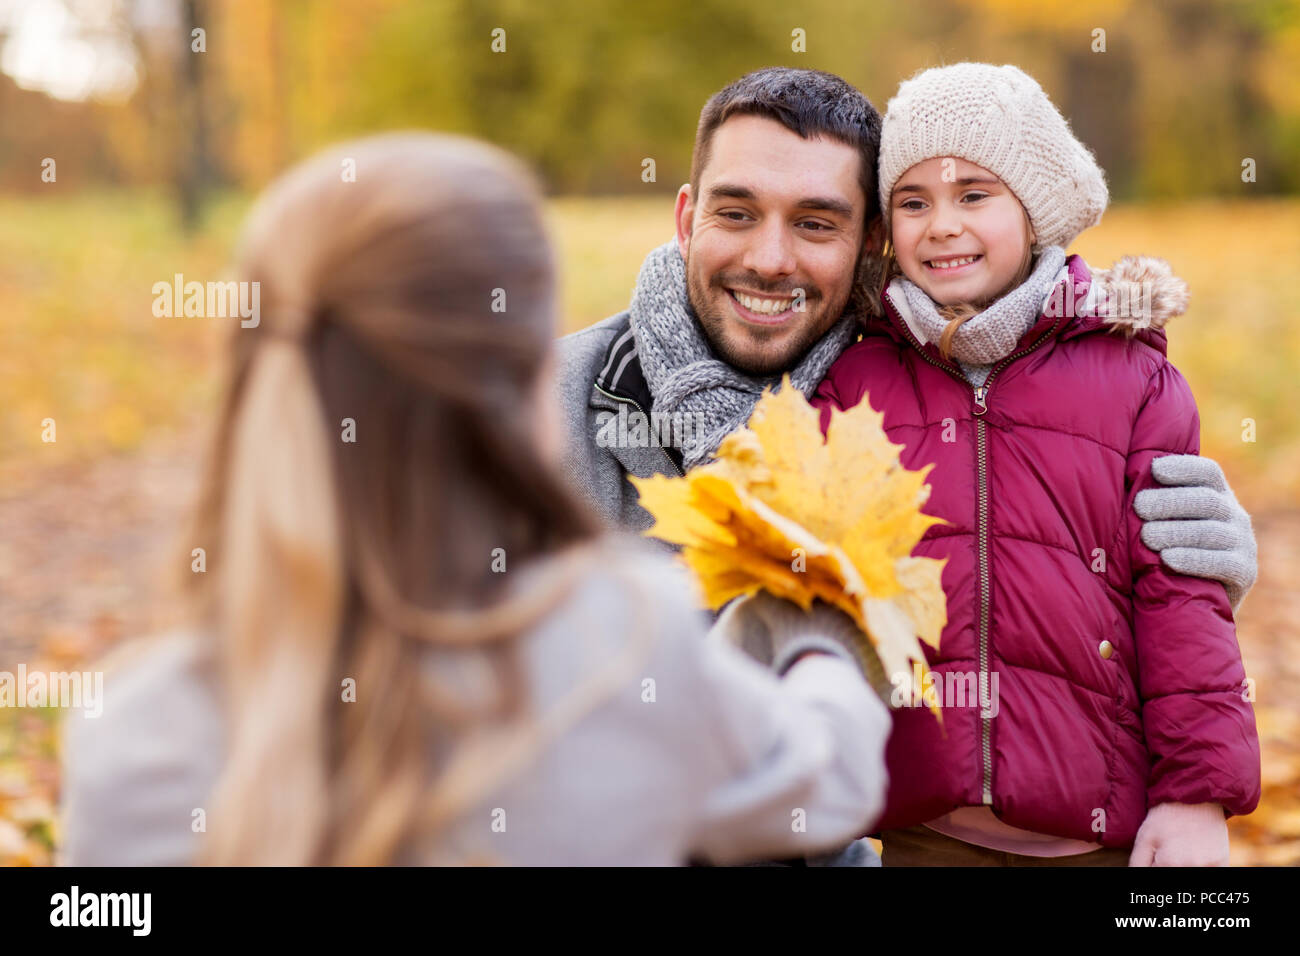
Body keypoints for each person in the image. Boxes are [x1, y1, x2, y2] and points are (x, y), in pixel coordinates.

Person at [58, 132, 891, 866]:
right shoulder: (623, 647)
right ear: (530, 381)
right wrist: (812, 629)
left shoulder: (131, 742)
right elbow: (831, 779)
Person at [556, 64, 1259, 867]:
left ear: (867, 250)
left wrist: (1175, 568)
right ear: (686, 218)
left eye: (817, 223)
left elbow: (1149, 594)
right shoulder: (544, 411)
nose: (771, 258)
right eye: (736, 211)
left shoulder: (880, 377)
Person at [811, 62, 1261, 866]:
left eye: (973, 194)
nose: (941, 225)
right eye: (912, 203)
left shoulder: (1131, 378)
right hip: (926, 828)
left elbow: (1180, 602)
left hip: (1098, 830)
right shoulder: (857, 379)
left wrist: (1197, 796)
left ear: (1035, 208)